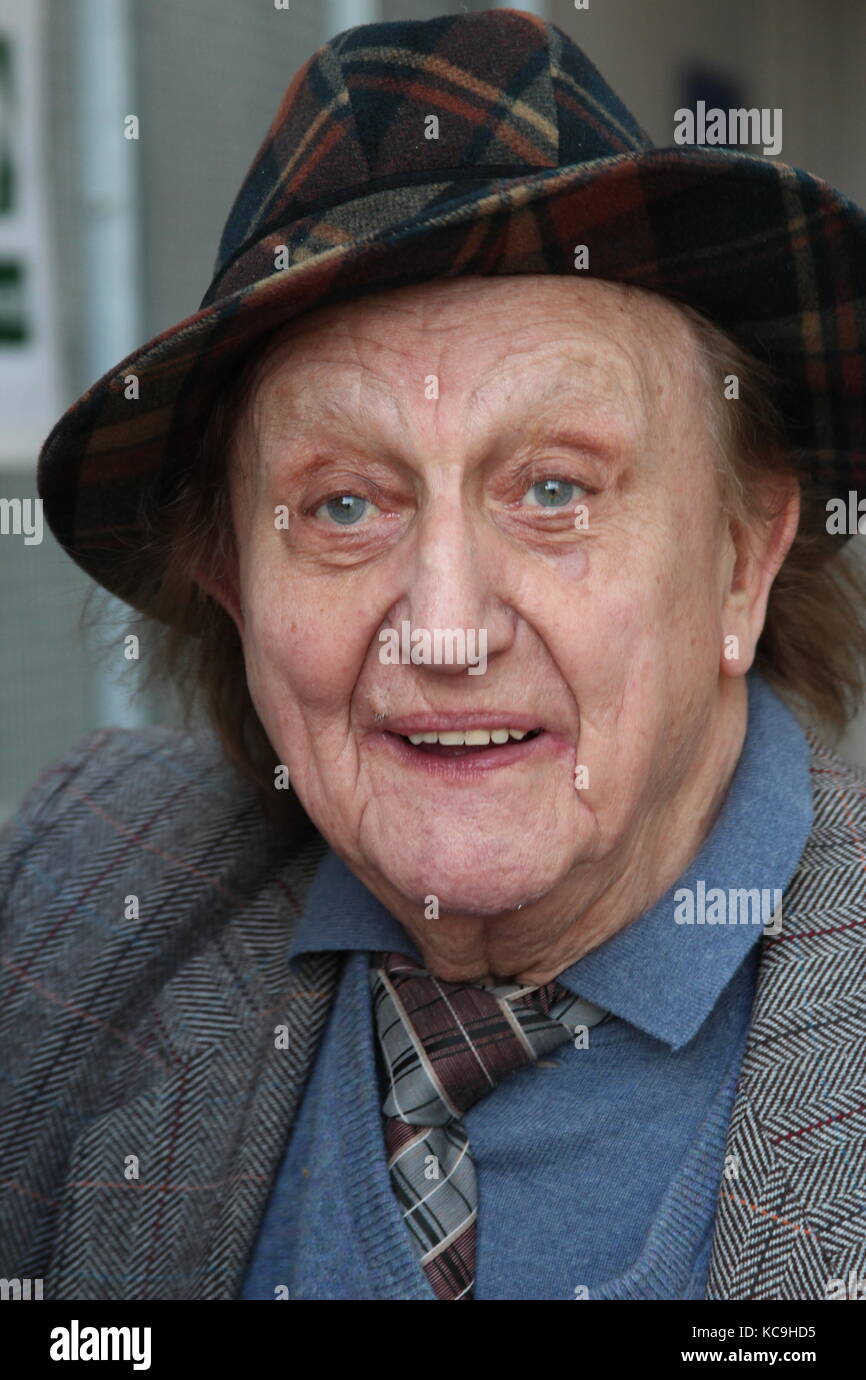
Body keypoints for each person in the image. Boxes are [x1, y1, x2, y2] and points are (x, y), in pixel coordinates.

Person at [2, 8, 866, 1302]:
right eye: (344, 505)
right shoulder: (76, 896)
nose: (445, 626)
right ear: (234, 585)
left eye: (555, 488)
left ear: (740, 556)